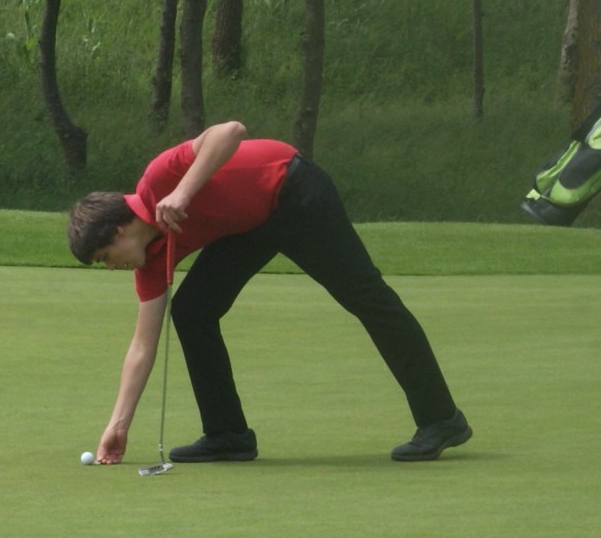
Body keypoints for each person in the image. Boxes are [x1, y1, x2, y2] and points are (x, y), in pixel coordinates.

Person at [67, 121, 472, 464]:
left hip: (295, 191)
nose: (112, 266)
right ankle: (228, 435)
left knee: (368, 298)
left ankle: (441, 419)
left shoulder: (159, 178)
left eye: (106, 256)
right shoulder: (150, 264)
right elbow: (142, 346)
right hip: (252, 225)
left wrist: (183, 192)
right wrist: (117, 427)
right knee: (192, 310)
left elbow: (232, 131)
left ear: (119, 229)